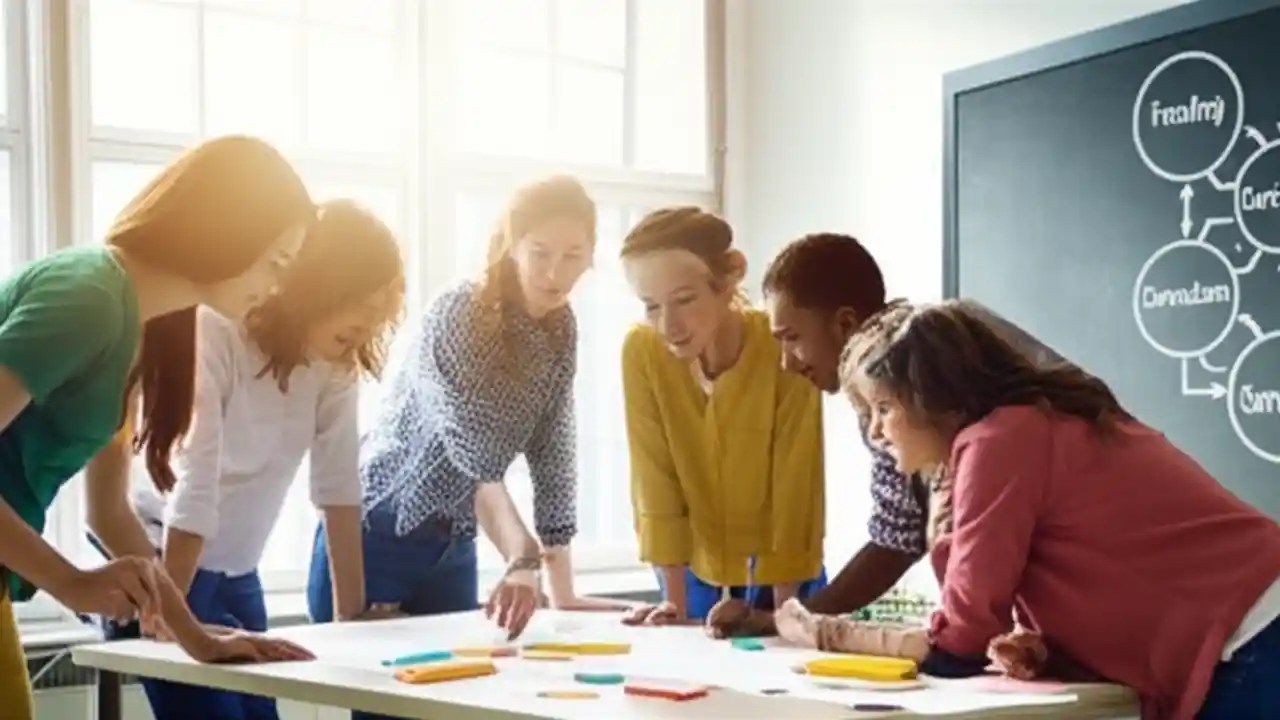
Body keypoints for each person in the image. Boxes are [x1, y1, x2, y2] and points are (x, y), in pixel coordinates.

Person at [778, 300, 1280, 720]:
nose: (875, 432)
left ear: (934, 398)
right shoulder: (1026, 427)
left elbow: (959, 643)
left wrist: (823, 631)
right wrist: (1033, 643)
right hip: (1247, 632)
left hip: (1252, 635)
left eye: (884, 409)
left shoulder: (999, 440)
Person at [0, 135, 317, 716]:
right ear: (228, 231)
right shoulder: (88, 296)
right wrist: (70, 582)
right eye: (276, 263)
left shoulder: (140, 328)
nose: (276, 287)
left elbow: (109, 514)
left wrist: (197, 637)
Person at [307, 176, 626, 717]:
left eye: (574, 255)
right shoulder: (461, 311)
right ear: (511, 244)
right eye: (540, 252)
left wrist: (561, 587)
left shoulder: (561, 328)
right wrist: (523, 557)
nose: (556, 272)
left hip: (453, 547)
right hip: (378, 535)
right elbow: (474, 454)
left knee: (455, 706)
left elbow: (554, 447)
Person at [707, 232, 1063, 637]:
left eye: (792, 338)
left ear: (845, 324)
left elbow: (932, 552)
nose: (786, 363)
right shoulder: (893, 388)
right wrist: (788, 620)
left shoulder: (930, 369)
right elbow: (899, 535)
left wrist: (956, 638)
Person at [138, 200, 405, 720]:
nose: (368, 324)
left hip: (240, 572)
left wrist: (350, 616)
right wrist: (175, 613)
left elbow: (338, 487)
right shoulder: (218, 327)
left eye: (380, 312)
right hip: (167, 566)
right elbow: (197, 478)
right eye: (362, 304)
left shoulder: (334, 363)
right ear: (322, 283)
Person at [618, 208, 827, 625]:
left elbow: (796, 482)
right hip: (691, 570)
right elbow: (653, 476)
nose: (668, 325)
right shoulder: (642, 352)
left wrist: (782, 617)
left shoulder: (782, 343)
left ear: (730, 276)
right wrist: (673, 605)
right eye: (651, 306)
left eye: (684, 300)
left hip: (786, 573)